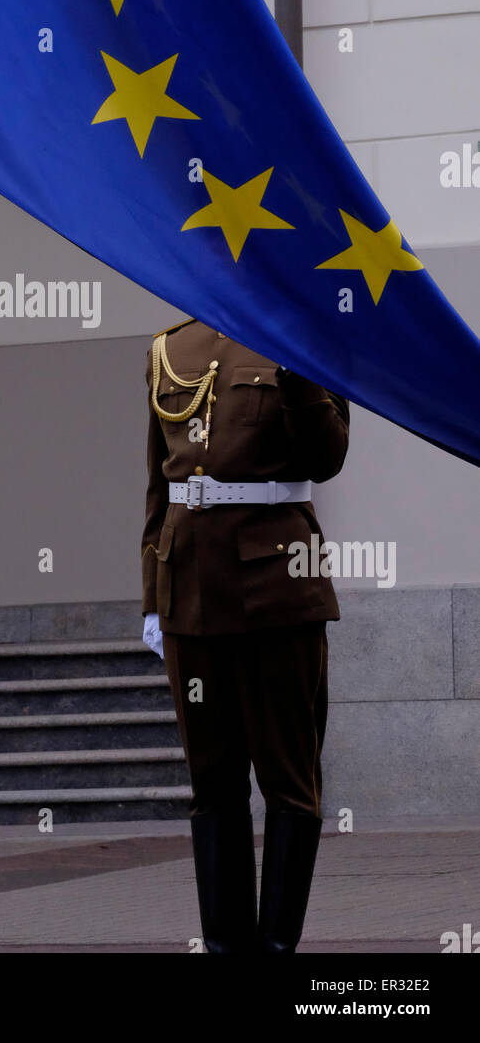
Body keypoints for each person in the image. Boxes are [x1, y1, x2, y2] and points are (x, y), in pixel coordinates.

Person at [141, 316, 349, 953]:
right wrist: (154, 594)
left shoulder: (303, 332)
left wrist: (295, 370)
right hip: (191, 590)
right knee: (212, 784)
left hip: (277, 586)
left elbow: (327, 457)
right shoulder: (170, 345)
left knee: (289, 779)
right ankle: (226, 946)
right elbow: (160, 486)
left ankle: (277, 947)